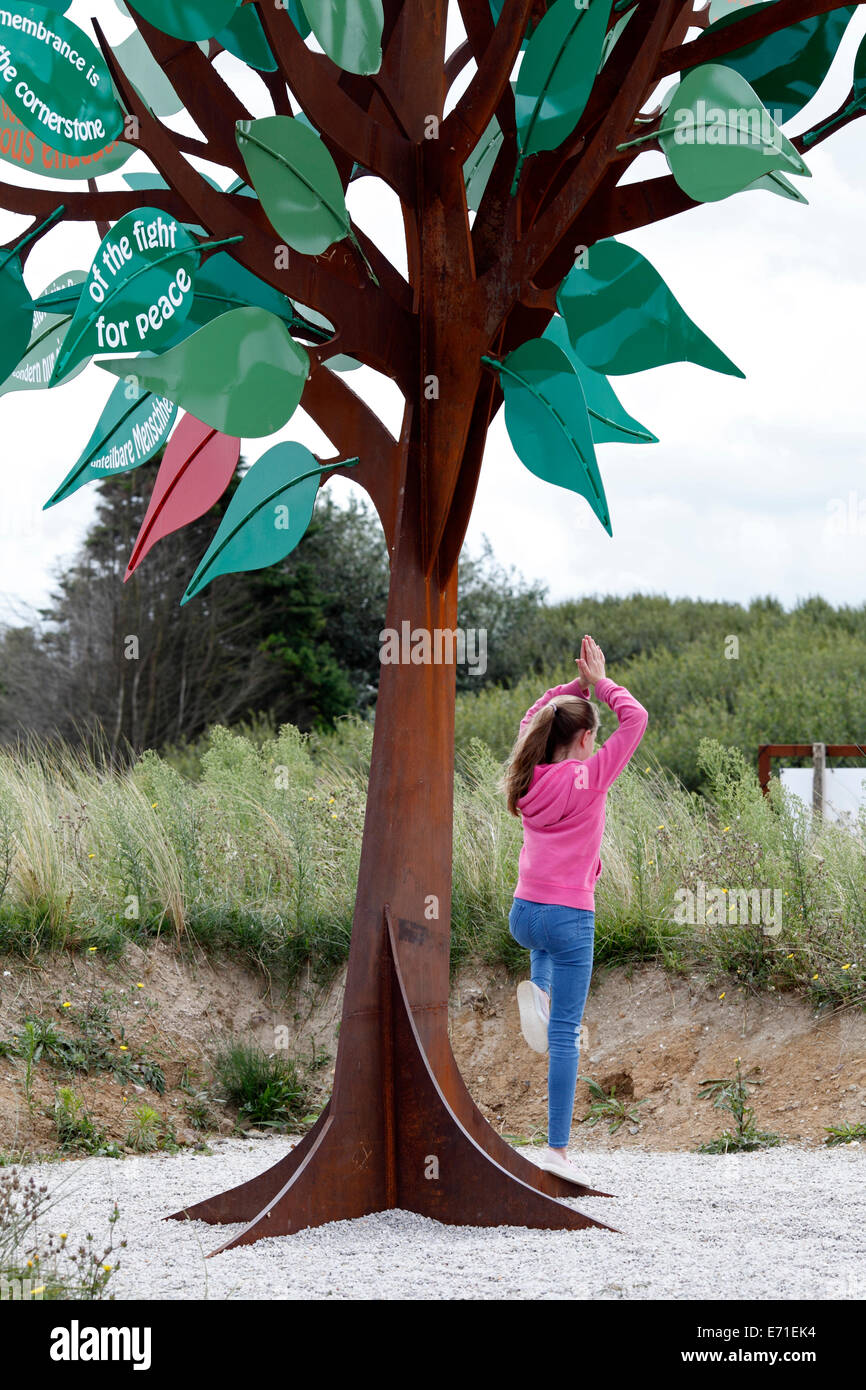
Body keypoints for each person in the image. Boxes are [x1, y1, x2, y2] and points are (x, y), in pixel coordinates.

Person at [501, 634, 648, 1187]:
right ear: (586, 738)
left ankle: (538, 990)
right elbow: (637, 719)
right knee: (565, 1034)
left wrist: (577, 688)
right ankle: (557, 1150)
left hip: (524, 915)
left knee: (545, 968)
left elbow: (533, 717)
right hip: (568, 918)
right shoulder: (591, 776)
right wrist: (603, 682)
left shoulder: (527, 773)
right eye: (595, 734)